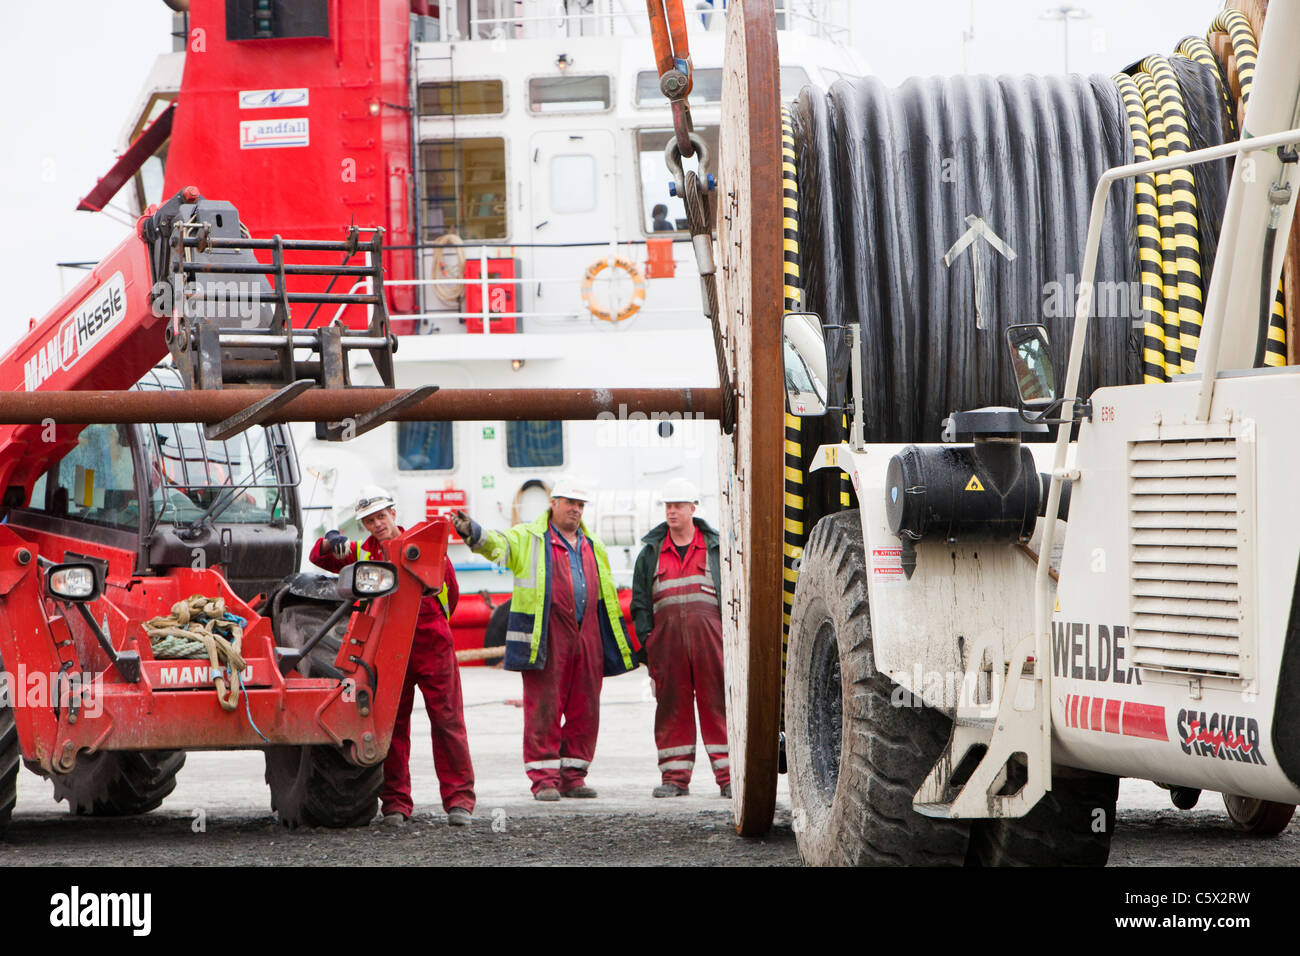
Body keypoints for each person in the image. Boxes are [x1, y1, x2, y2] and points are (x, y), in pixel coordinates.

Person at [451, 476, 637, 800]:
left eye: (580, 505)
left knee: (586, 707)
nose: (576, 511)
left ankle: (574, 776)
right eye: (570, 504)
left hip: (588, 632)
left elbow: (605, 593)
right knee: (544, 706)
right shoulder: (529, 538)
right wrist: (473, 532)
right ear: (554, 504)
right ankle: (544, 780)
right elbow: (499, 545)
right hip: (547, 632)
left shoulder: (595, 546)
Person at [310, 484, 476, 827]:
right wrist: (329, 539)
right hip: (388, 648)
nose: (377, 525)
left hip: (431, 643)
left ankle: (460, 801)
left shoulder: (425, 546)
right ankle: (396, 805)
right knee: (392, 726)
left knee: (448, 722)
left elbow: (451, 593)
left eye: (381, 517)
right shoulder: (361, 552)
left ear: (393, 514)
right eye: (369, 520)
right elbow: (319, 556)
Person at [630, 478, 730, 798]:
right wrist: (648, 642)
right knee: (671, 708)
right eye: (667, 506)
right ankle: (674, 778)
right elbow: (640, 602)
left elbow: (733, 594)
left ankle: (729, 777)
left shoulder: (716, 547)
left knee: (720, 705)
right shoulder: (651, 553)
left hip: (712, 643)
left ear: (692, 508)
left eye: (678, 505)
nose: (671, 511)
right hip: (667, 646)